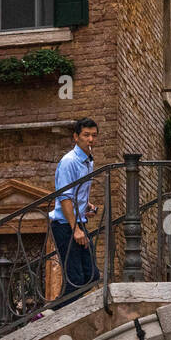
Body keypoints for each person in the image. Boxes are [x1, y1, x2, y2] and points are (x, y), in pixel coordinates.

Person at [48, 117, 101, 306]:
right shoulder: (69, 162)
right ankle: (54, 312)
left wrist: (87, 206)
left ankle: (61, 309)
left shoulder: (88, 161)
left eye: (94, 135)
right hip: (64, 226)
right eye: (86, 135)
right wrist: (76, 229)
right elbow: (64, 198)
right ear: (76, 137)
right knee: (75, 278)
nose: (90, 140)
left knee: (92, 275)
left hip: (78, 222)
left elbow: (76, 195)